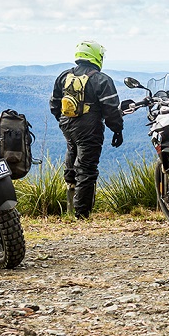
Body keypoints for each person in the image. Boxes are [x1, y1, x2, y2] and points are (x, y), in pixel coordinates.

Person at [49, 40, 124, 218]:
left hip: (67, 125)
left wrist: (63, 121)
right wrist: (117, 130)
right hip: (90, 128)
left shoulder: (64, 76)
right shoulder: (101, 80)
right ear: (96, 56)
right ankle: (81, 214)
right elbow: (111, 110)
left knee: (72, 156)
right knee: (86, 168)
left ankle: (70, 208)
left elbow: (54, 103)